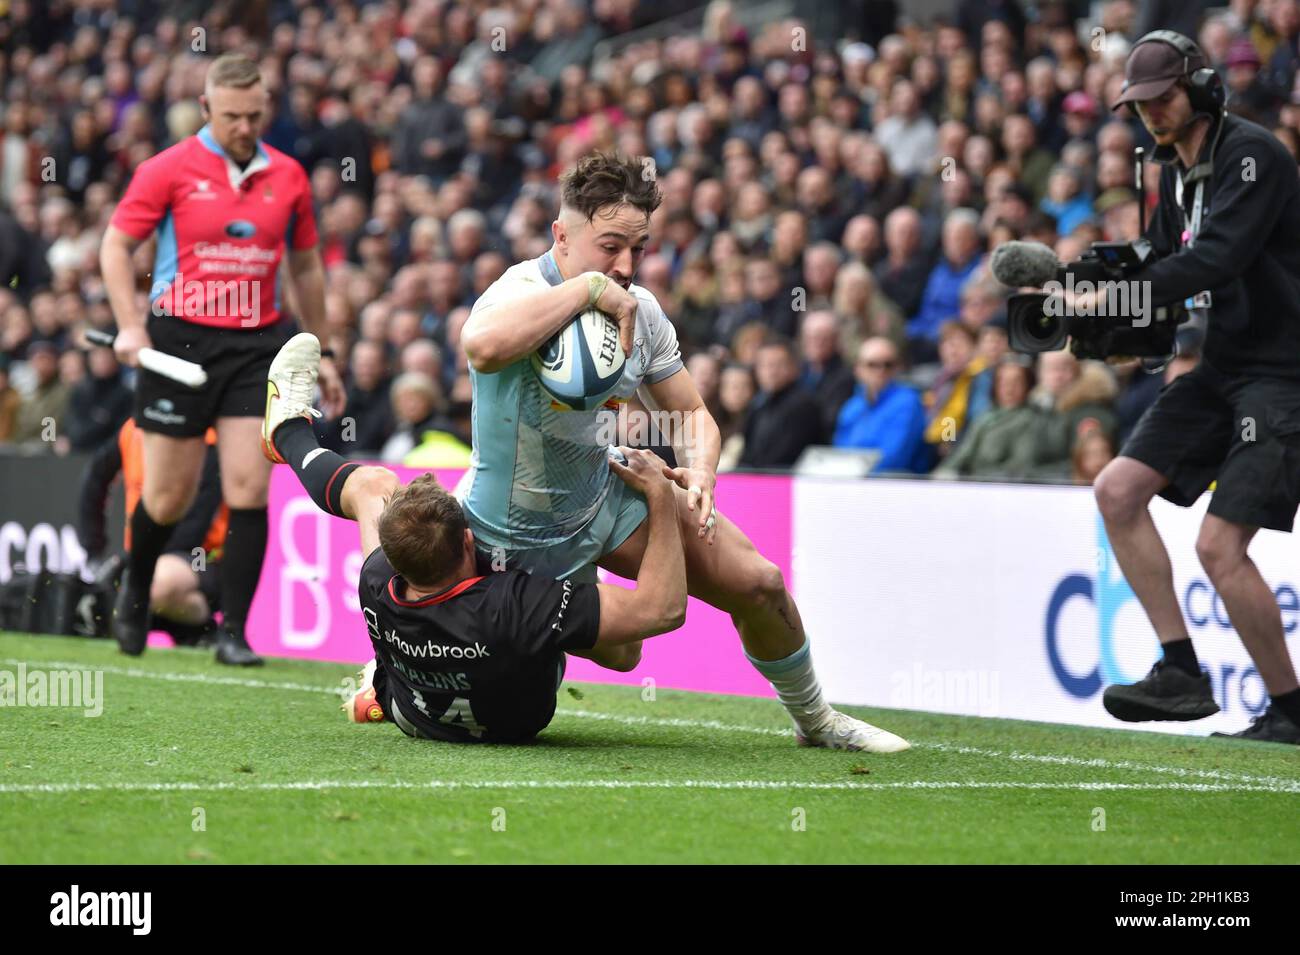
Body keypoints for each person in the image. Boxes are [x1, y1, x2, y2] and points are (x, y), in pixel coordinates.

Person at [457, 152, 909, 752]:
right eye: (609, 247)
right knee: (617, 657)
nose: (624, 266)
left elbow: (692, 414)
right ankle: (388, 676)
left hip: (601, 501)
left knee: (760, 582)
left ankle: (817, 721)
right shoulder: (518, 290)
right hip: (503, 531)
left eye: (637, 250)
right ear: (561, 235)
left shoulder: (641, 312)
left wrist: (700, 470)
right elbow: (482, 347)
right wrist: (588, 291)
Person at [261, 333, 686, 743]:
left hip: (414, 715)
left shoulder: (377, 577)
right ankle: (381, 680)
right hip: (512, 725)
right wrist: (660, 497)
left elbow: (370, 503)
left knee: (372, 487)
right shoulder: (519, 605)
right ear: (469, 539)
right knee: (624, 651)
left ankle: (286, 433)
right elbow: (662, 611)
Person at [99, 54, 344, 664]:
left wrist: (325, 348)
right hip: (178, 341)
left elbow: (308, 266)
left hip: (256, 344)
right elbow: (115, 245)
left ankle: (232, 630)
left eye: (254, 115)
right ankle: (136, 588)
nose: (244, 126)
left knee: (248, 487)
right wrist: (130, 326)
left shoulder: (288, 176)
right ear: (206, 109)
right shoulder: (168, 168)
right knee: (167, 497)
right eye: (232, 115)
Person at [1092, 31, 1300, 743]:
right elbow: (1161, 255)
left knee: (1219, 546)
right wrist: (1089, 296)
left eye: (1163, 96)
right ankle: (1180, 669)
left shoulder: (1254, 155)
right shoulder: (1172, 169)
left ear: (1202, 88)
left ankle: (1293, 711)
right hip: (1223, 366)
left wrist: (1121, 299)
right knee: (1116, 491)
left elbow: (1218, 257)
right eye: (1141, 103)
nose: (1151, 113)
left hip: (1285, 374)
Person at [79, 419, 226, 647]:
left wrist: (128, 562)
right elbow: (95, 478)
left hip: (203, 558)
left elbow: (194, 528)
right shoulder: (132, 429)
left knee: (157, 582)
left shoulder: (207, 438)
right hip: (145, 557)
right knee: (118, 587)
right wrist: (93, 551)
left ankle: (201, 626)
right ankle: (184, 629)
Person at [833, 338, 929, 474]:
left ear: (898, 367)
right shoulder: (852, 406)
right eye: (872, 365)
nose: (881, 370)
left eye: (888, 365)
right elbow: (840, 449)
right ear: (857, 369)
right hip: (853, 482)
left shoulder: (908, 402)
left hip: (894, 486)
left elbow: (895, 458)